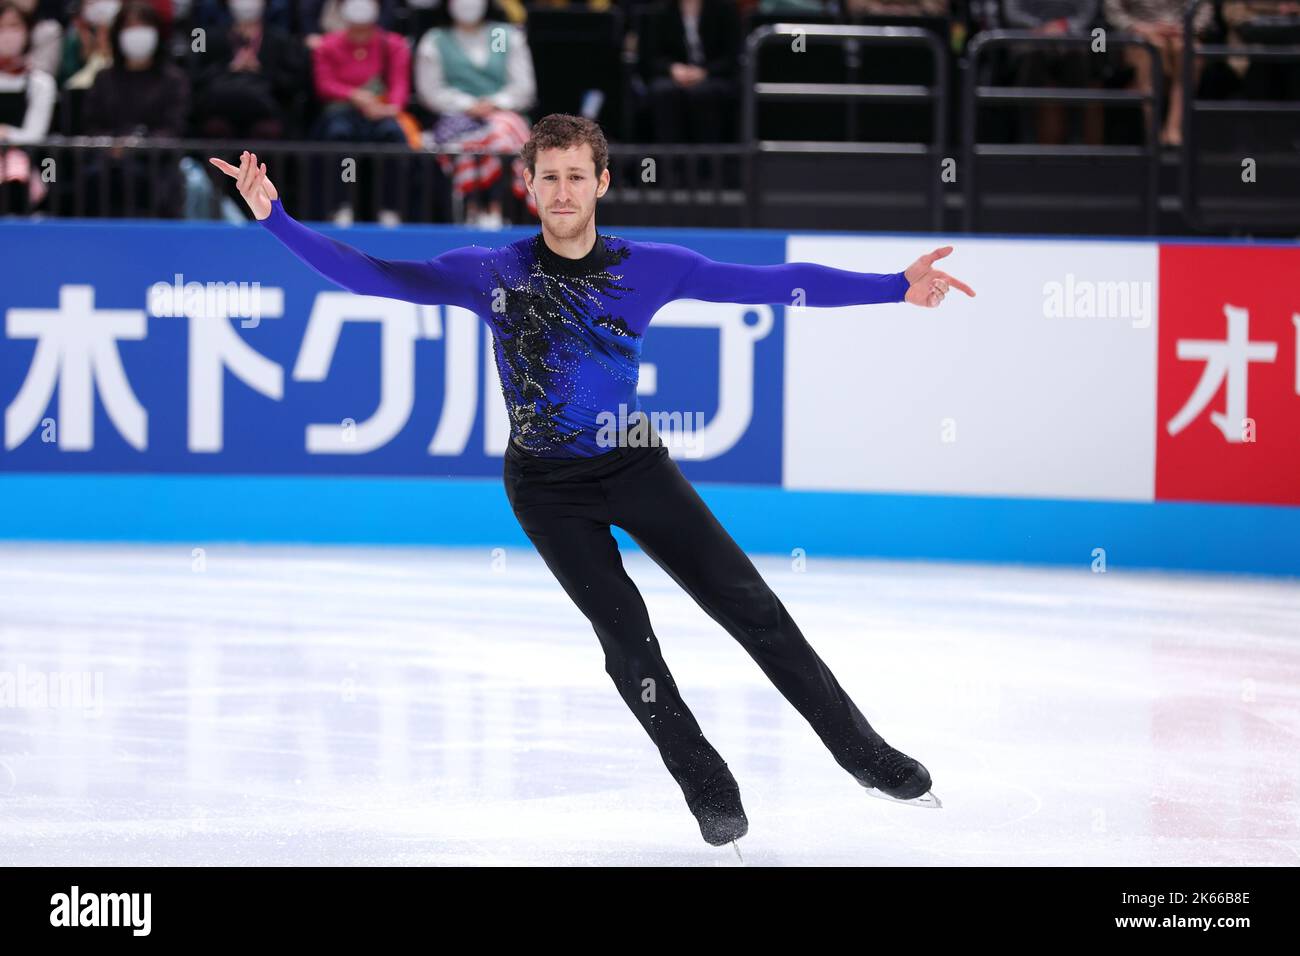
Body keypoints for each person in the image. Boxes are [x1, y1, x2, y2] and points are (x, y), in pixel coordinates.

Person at [210, 114, 973, 850]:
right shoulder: (490, 272)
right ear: (528, 186)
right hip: (546, 488)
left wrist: (892, 286)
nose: (565, 191)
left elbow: (777, 283)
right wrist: (275, 217)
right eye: (551, 178)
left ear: (602, 182)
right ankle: (706, 783)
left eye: (578, 176)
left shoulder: (650, 268)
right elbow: (372, 276)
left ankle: (863, 754)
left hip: (634, 462)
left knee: (753, 609)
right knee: (629, 646)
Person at [413, 0, 537, 228]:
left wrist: (495, 103)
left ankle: (497, 208)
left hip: (502, 114)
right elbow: (430, 91)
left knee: (502, 131)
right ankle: (471, 206)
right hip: (455, 119)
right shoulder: (436, 40)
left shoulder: (503, 36)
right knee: (482, 137)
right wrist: (468, 104)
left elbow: (523, 88)